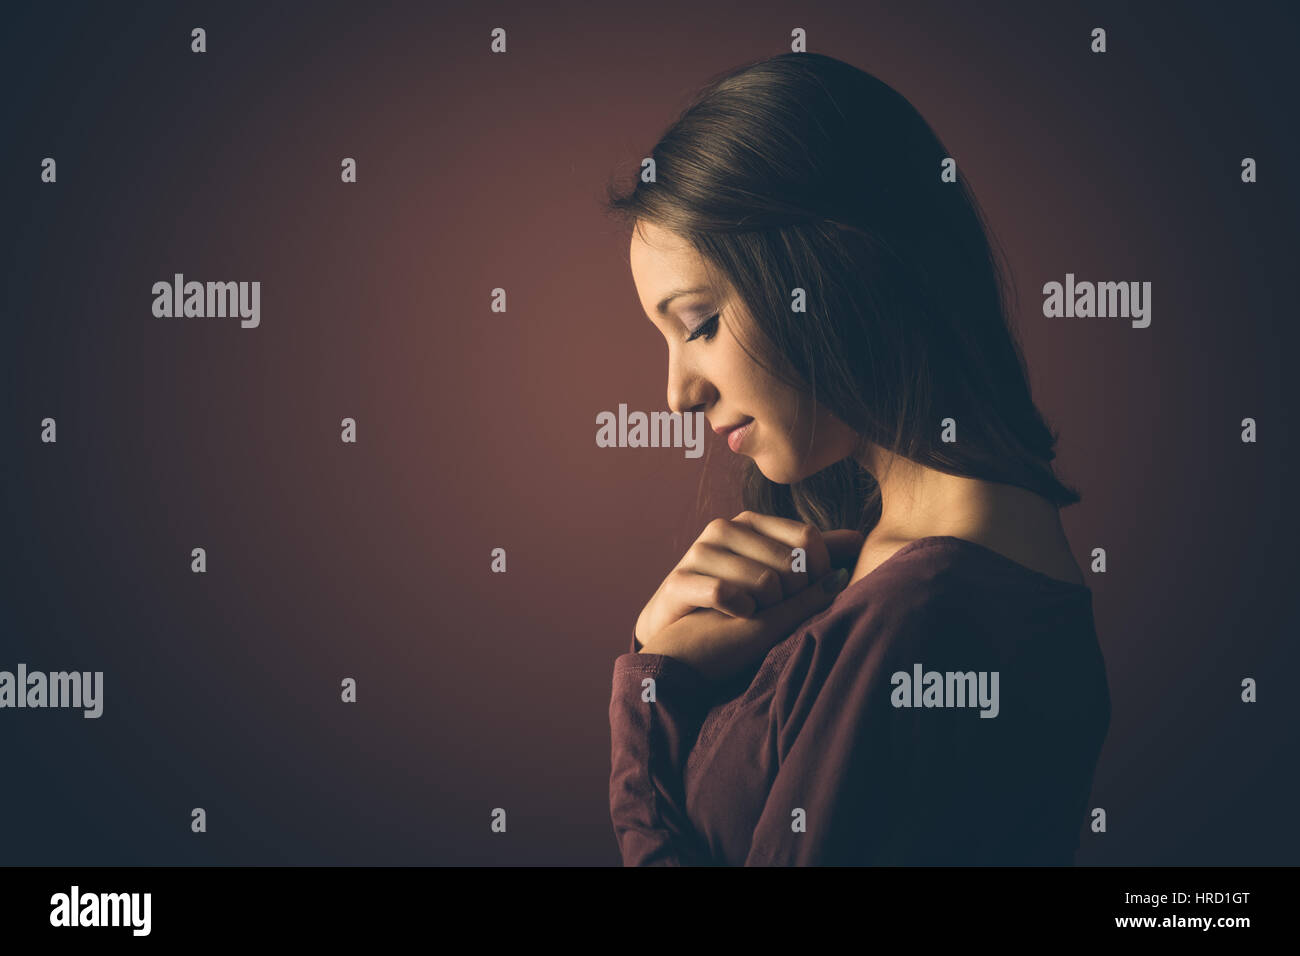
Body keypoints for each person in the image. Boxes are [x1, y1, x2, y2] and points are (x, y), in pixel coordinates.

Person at [603, 52, 1110, 865]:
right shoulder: (883, 568)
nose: (675, 395)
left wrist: (650, 701)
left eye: (697, 324)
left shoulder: (923, 622)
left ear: (833, 274)